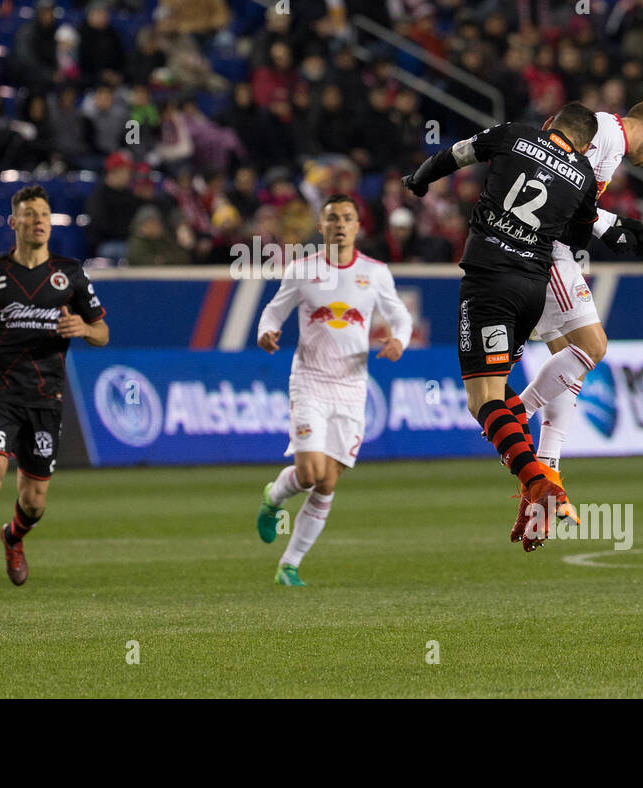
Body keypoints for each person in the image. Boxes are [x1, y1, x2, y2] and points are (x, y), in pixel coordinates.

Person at [402, 104, 602, 552]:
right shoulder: (585, 176)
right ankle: (535, 488)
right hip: (532, 290)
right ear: (586, 145)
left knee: (482, 400)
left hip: (488, 278)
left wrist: (418, 180)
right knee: (500, 393)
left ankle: (543, 484)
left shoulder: (514, 135)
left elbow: (453, 156)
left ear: (550, 123)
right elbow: (579, 238)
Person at [0, 185, 108, 599]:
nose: (39, 220)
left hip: (46, 397)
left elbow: (103, 332)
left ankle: (13, 536)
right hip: (1, 391)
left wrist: (84, 328)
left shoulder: (71, 273)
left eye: (44, 214)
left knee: (34, 500)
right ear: (14, 222)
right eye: (31, 214)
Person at [518, 93, 643, 477]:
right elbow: (562, 190)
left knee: (571, 366)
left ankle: (547, 470)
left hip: (551, 248)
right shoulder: (604, 132)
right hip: (546, 248)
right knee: (592, 348)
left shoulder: (610, 141)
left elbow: (580, 201)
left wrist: (616, 225)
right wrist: (611, 228)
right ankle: (510, 416)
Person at [254, 194, 412, 586]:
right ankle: (273, 498)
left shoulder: (375, 273)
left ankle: (289, 565)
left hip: (352, 388)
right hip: (309, 382)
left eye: (347, 218)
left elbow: (399, 315)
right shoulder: (302, 270)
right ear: (320, 227)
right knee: (308, 473)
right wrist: (265, 332)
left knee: (327, 482)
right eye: (332, 219)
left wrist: (400, 341)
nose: (340, 224)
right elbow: (275, 310)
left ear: (358, 226)